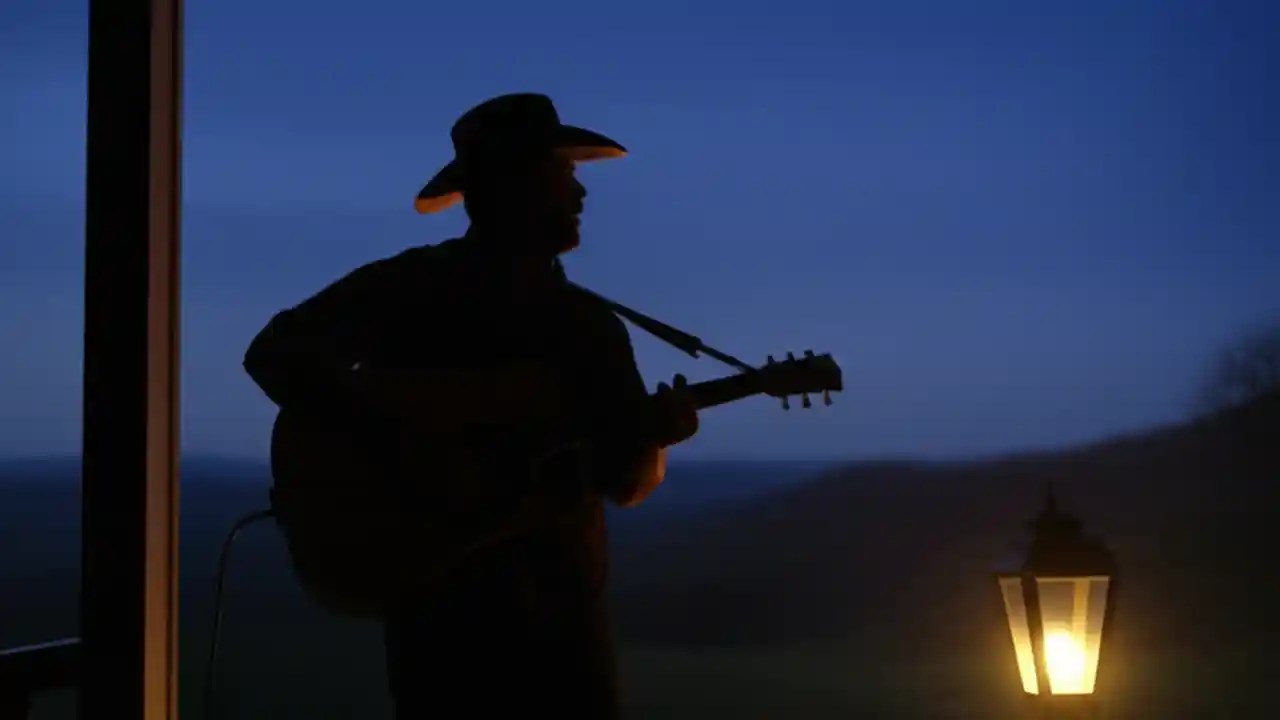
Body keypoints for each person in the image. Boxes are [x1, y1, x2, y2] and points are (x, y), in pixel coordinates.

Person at [242, 92, 700, 718]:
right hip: (505, 650)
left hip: (488, 647)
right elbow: (272, 353)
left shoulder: (567, 322)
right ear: (516, 186)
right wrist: (406, 429)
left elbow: (623, 477)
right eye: (565, 174)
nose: (581, 194)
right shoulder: (452, 299)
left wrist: (652, 438)